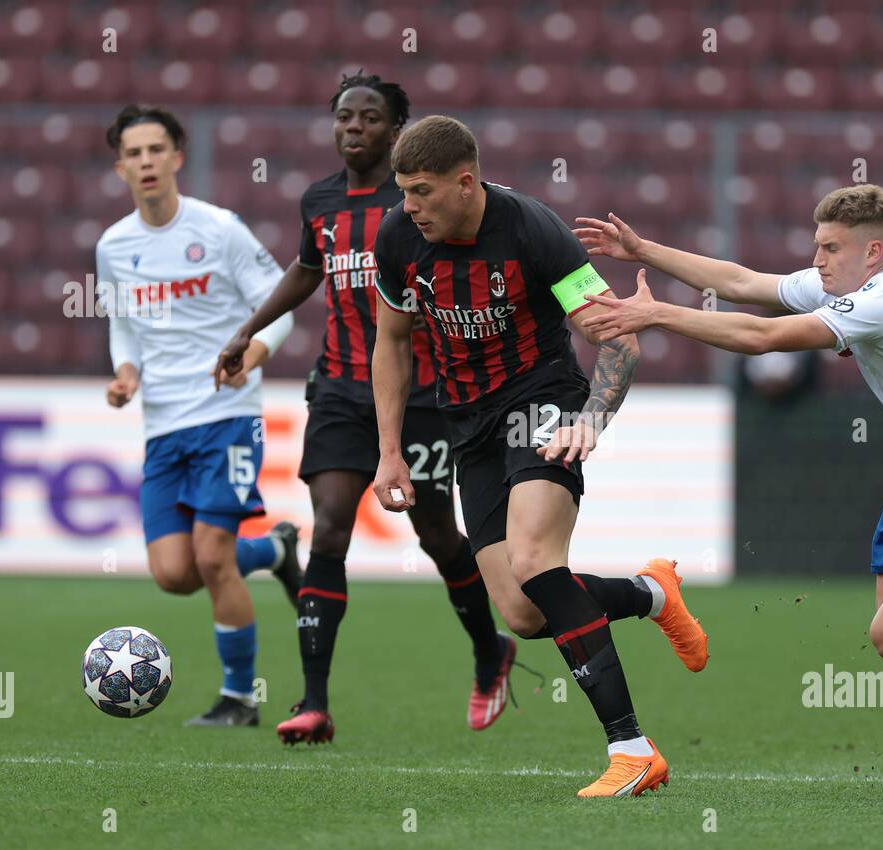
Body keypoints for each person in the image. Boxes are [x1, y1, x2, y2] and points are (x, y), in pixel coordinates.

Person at [575, 184, 883, 796]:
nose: (818, 258)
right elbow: (743, 282)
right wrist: (643, 251)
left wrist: (656, 314)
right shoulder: (849, 287)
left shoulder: (881, 303)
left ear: (872, 251)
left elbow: (762, 337)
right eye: (816, 245)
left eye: (830, 247)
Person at [367, 115, 710, 798]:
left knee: (533, 562)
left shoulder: (533, 233)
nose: (409, 206)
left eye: (422, 191)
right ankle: (650, 593)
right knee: (523, 613)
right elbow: (393, 343)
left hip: (542, 401)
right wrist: (389, 454)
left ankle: (632, 749)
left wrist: (589, 420)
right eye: (403, 191)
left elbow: (617, 341)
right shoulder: (399, 237)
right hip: (471, 427)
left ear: (466, 183)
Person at [215, 73, 515, 745]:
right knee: (328, 530)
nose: (353, 128)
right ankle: (314, 701)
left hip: (428, 393)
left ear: (398, 128)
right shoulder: (319, 200)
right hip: (342, 390)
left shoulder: (416, 200)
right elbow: (304, 268)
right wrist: (248, 331)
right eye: (344, 117)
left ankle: (489, 651)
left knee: (437, 535)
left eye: (369, 118)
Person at [98, 104, 301, 728]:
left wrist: (252, 354)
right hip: (162, 426)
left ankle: (240, 698)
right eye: (134, 154)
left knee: (213, 557)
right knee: (175, 574)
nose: (147, 162)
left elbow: (282, 309)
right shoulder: (113, 246)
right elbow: (123, 329)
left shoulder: (220, 230)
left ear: (177, 157)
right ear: (121, 168)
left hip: (227, 415)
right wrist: (127, 373)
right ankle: (273, 551)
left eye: (156, 149)